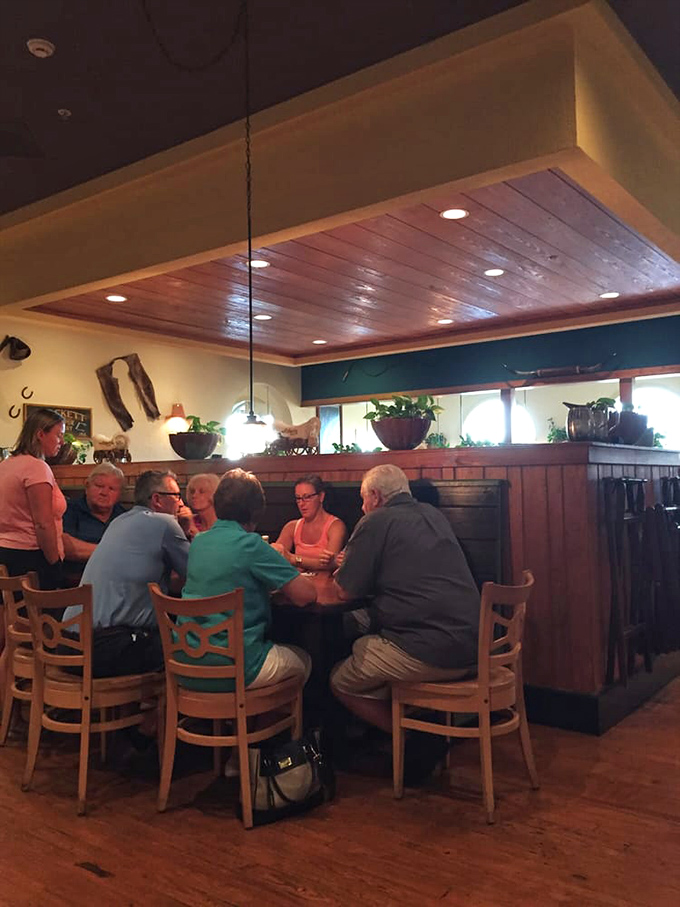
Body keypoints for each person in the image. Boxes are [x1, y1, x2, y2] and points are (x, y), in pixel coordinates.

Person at [331, 464, 480, 782]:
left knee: (340, 677)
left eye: (362, 499)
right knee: (361, 632)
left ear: (375, 496)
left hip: (431, 651)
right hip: (472, 647)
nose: (361, 507)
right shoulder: (433, 515)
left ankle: (413, 738)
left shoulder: (376, 520)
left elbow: (343, 589)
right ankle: (393, 731)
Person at [178, 468, 317, 692]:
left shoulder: (198, 543)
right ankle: (262, 725)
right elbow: (306, 596)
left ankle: (237, 723)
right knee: (303, 660)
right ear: (256, 512)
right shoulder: (252, 545)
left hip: (186, 665)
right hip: (236, 668)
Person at [62, 470, 191, 677]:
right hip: (102, 647)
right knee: (186, 647)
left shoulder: (120, 521)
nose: (181, 503)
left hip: (67, 644)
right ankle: (176, 709)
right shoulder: (164, 523)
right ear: (157, 500)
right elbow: (196, 573)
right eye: (176, 496)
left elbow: (174, 580)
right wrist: (190, 529)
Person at [0, 407, 67, 589]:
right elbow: (43, 524)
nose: (62, 441)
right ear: (40, 434)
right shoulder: (37, 468)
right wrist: (54, 563)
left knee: (12, 616)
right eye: (58, 435)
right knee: (45, 617)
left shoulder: (5, 465)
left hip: (5, 555)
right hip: (31, 558)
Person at [272, 474, 347, 572]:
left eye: (307, 497)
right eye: (298, 498)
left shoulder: (336, 526)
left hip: (324, 584)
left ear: (321, 497)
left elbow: (329, 564)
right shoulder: (292, 527)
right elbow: (275, 557)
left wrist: (293, 559)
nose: (302, 503)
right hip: (297, 583)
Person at [62, 462, 126, 570]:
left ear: (119, 494)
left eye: (112, 489)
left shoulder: (124, 517)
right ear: (87, 486)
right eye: (99, 486)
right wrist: (111, 552)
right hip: (76, 581)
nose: (104, 493)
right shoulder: (69, 510)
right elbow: (65, 546)